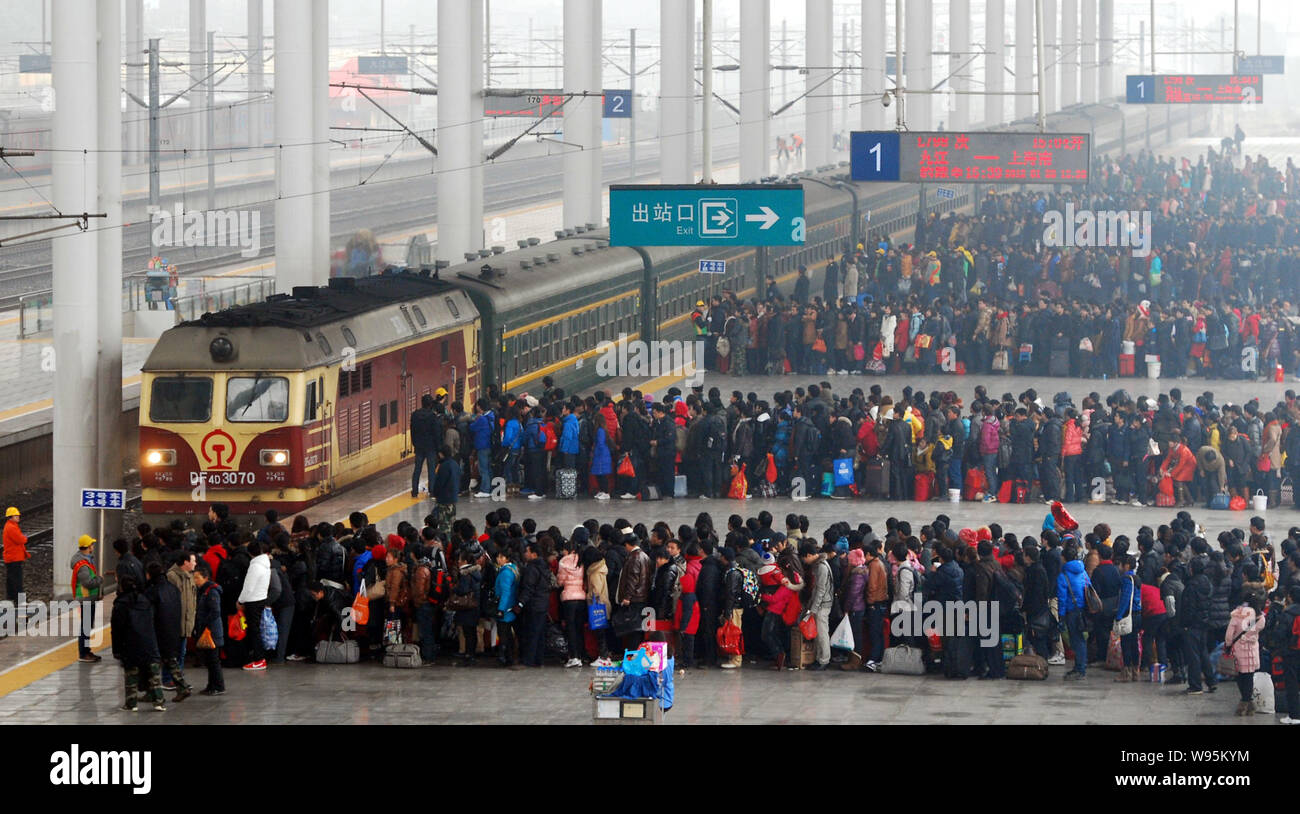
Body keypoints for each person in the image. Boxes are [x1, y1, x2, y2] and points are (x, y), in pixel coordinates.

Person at [110, 575, 165, 712]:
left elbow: (116, 629)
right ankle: (158, 701)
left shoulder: (120, 604)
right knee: (154, 674)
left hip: (130, 644)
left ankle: (131, 703)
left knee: (131, 675)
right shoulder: (145, 600)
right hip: (149, 642)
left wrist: (116, 649)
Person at [145, 561, 191, 703]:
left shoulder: (152, 592)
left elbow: (149, 614)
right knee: (170, 660)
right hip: (172, 630)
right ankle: (182, 687)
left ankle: (154, 693)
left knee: (152, 663)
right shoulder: (173, 588)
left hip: (157, 632)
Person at [1179, 556, 1217, 695]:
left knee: (1193, 655)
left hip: (1193, 624)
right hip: (1205, 622)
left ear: (1192, 569)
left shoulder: (1191, 585)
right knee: (1203, 652)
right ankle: (1211, 681)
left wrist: (1185, 624)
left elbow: (1189, 607)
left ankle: (1195, 685)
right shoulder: (1207, 583)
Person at [1224, 594, 1262, 715]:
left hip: (1238, 648)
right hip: (1252, 648)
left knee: (1240, 675)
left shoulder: (1237, 615)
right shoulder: (1259, 616)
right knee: (1249, 676)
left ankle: (1244, 702)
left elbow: (1229, 634)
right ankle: (1248, 702)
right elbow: (1259, 627)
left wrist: (1229, 644)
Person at [237, 540, 272, 672]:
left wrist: (240, 601)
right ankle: (258, 658)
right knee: (255, 629)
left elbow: (248, 587)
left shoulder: (255, 566)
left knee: (254, 631)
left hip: (253, 601)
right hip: (261, 598)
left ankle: (259, 659)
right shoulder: (265, 564)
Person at [1057, 553, 1092, 680]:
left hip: (1071, 611)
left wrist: (1061, 616)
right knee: (1080, 639)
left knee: (1077, 640)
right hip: (1083, 610)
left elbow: (1062, 598)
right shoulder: (1083, 572)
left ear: (1064, 558)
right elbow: (1088, 586)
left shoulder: (1063, 576)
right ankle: (1079, 666)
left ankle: (1080, 668)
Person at [192, 564, 225, 695]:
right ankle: (212, 685)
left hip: (211, 631)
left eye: (197, 578)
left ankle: (218, 686)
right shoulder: (203, 591)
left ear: (205, 578)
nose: (195, 580)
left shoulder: (211, 592)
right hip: (207, 630)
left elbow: (215, 611)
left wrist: (205, 624)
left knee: (213, 660)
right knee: (210, 660)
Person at [516, 541, 551, 668]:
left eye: (527, 551)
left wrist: (520, 603)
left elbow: (528, 588)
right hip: (542, 604)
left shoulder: (531, 569)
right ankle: (538, 659)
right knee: (539, 633)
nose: (525, 553)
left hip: (533, 605)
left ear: (534, 554)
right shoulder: (544, 566)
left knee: (531, 633)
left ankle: (528, 660)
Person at [70, 534, 103, 663]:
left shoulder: (88, 559)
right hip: (86, 599)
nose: (93, 546)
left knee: (87, 625)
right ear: (88, 547)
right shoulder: (82, 565)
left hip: (89, 598)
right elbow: (88, 583)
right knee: (86, 626)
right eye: (92, 544)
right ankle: (83, 653)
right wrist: (100, 580)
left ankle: (86, 651)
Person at [1112, 554, 1142, 682]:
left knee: (1126, 644)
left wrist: (1119, 615)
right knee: (1134, 643)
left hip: (1128, 616)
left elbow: (1125, 598)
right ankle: (1136, 671)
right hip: (1137, 614)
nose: (1120, 567)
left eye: (1122, 565)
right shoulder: (1137, 578)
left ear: (1127, 565)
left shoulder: (1126, 579)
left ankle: (1126, 672)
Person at [557, 539, 587, 667]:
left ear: (569, 550)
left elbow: (560, 581)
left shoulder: (563, 562)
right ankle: (581, 655)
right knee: (579, 627)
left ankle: (574, 656)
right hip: (581, 597)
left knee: (571, 628)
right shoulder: (582, 561)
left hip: (569, 598)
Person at [410, 393, 443, 497]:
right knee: (431, 470)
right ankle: (432, 491)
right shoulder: (433, 417)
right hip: (431, 447)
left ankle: (414, 491)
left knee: (417, 469)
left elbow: (412, 431)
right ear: (430, 405)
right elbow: (436, 433)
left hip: (419, 446)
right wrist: (439, 448)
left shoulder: (415, 415)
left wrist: (415, 443)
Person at [494, 547, 521, 669]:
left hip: (505, 607)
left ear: (506, 558)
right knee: (509, 634)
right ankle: (510, 657)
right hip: (512, 606)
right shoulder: (514, 569)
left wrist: (501, 609)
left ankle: (504, 657)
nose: (498, 559)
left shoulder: (505, 573)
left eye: (501, 557)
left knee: (503, 634)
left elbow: (505, 592)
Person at [432, 446, 461, 537]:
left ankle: (446, 544)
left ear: (441, 454)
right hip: (453, 498)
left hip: (444, 500)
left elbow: (439, 483)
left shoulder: (444, 466)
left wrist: (435, 493)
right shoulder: (455, 464)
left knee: (444, 525)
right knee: (452, 523)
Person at [3, 506, 27, 604]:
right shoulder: (12, 527)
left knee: (11, 578)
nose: (18, 517)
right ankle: (19, 600)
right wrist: (24, 538)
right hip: (14, 558)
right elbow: (20, 539)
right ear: (11, 517)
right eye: (16, 516)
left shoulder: (10, 526)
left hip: (12, 557)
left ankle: (11, 597)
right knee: (17, 580)